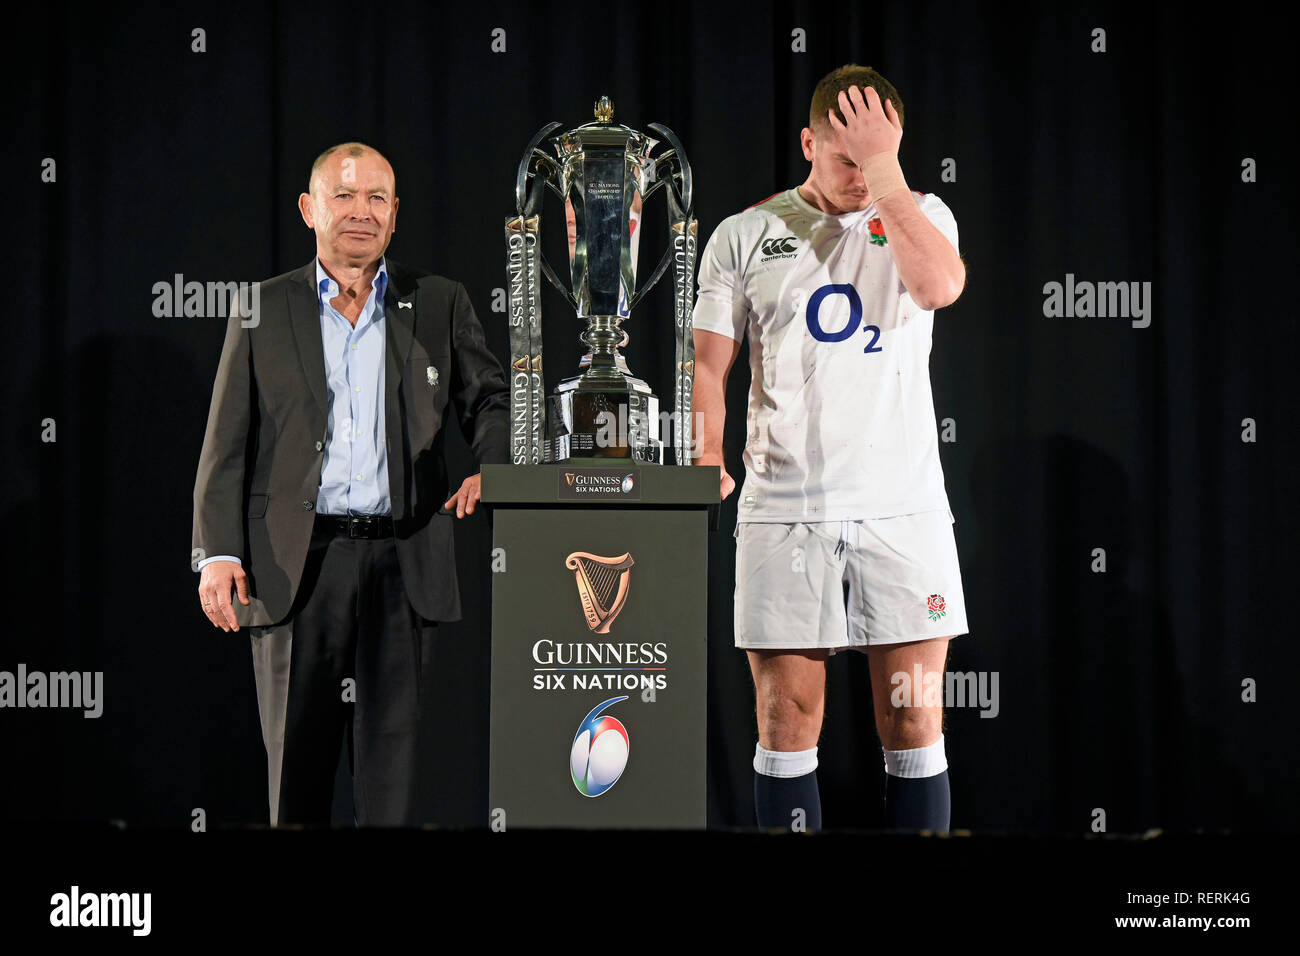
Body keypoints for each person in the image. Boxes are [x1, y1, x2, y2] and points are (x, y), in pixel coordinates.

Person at [192, 142, 509, 825]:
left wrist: (492, 465)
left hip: (405, 564)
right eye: (343, 195)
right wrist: (216, 553)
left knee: (389, 787)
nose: (359, 212)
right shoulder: (261, 309)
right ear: (310, 209)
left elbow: (491, 401)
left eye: (376, 198)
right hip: (296, 567)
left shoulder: (440, 302)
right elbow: (226, 445)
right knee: (294, 782)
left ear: (394, 215)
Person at [691, 65, 970, 832]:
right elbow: (710, 364)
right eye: (847, 158)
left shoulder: (924, 213)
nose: (862, 175)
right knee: (788, 718)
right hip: (784, 509)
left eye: (880, 155)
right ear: (810, 142)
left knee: (912, 722)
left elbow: (938, 287)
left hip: (902, 508)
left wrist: (886, 177)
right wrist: (706, 452)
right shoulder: (745, 233)